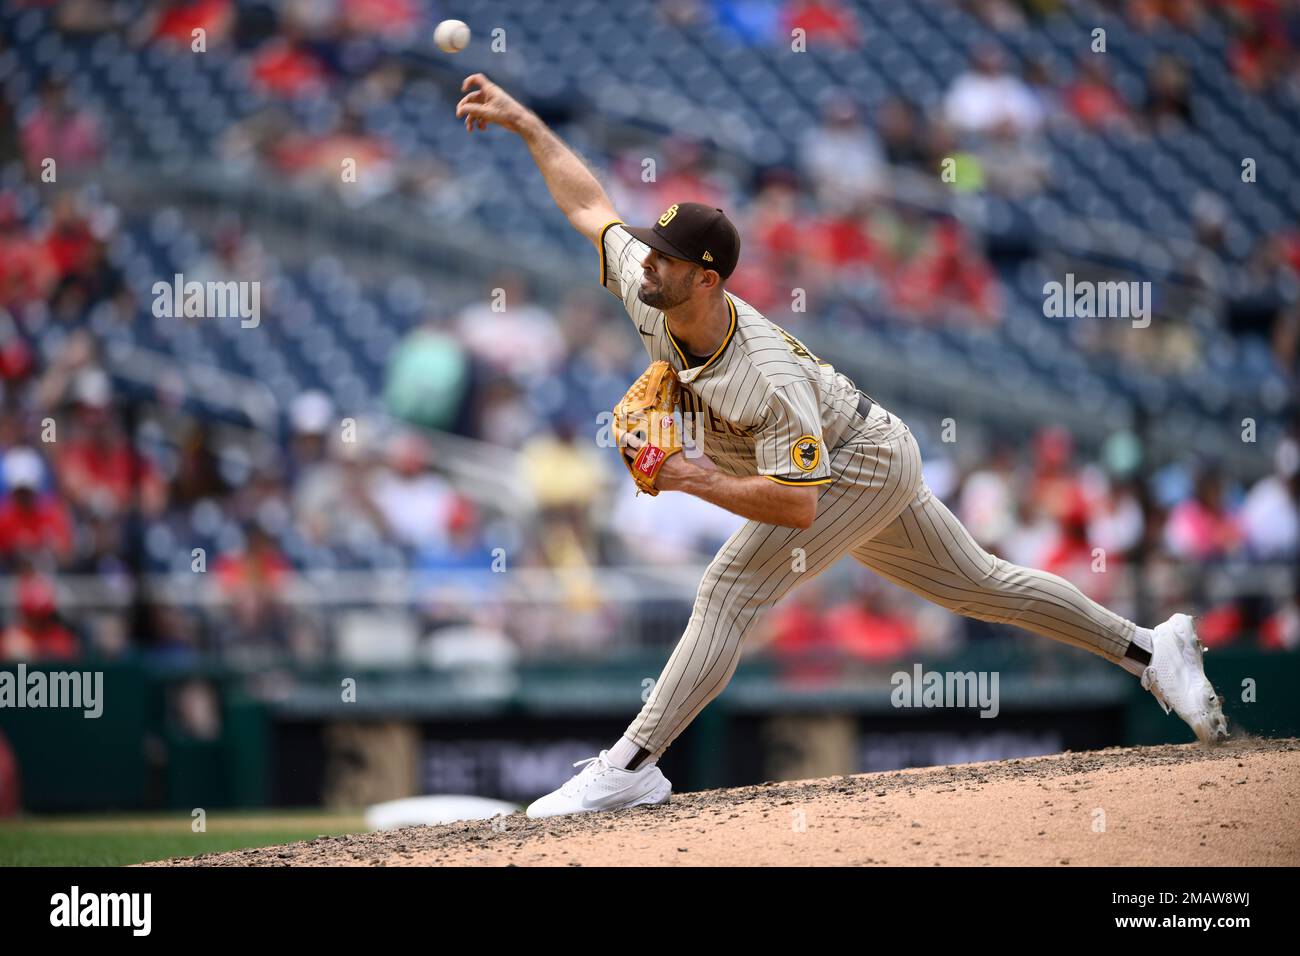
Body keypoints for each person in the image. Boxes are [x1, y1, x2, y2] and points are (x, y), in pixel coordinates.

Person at [453, 73, 1229, 819]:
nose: (646, 260)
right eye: (651, 250)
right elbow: (591, 206)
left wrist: (688, 475)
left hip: (856, 460)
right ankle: (1150, 650)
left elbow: (795, 506)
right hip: (861, 449)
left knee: (729, 590)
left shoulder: (765, 373)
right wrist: (525, 122)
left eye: (666, 257)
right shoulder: (656, 294)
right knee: (980, 585)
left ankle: (627, 769)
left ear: (709, 280)